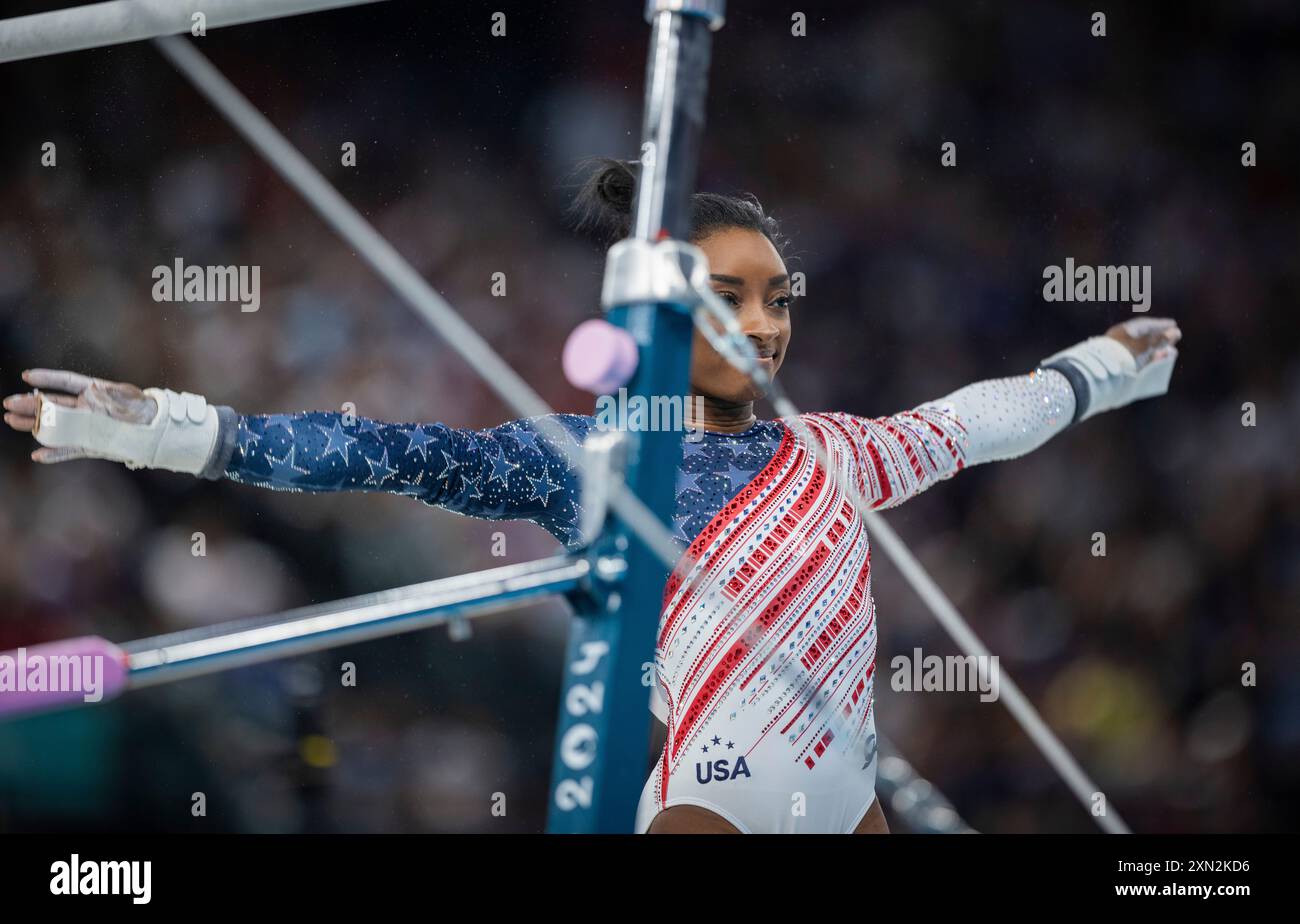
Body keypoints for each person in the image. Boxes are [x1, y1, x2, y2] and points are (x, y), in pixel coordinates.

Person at [2, 158, 1180, 834]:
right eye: (735, 297)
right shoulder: (592, 461)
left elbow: (982, 421)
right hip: (711, 803)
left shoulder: (838, 450)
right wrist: (162, 430)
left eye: (780, 297)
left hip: (844, 798)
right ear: (666, 311)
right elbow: (379, 453)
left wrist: (1106, 370)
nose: (768, 325)